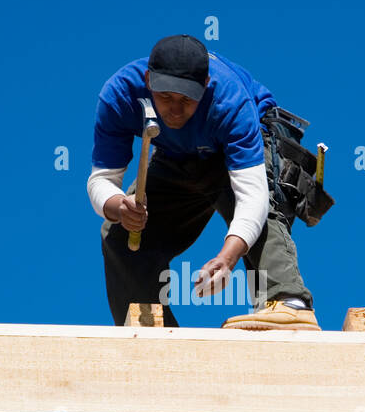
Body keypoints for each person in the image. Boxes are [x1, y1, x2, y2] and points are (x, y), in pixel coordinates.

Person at [87, 35, 332, 329]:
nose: (175, 110)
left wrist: (227, 258)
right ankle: (150, 328)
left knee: (259, 207)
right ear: (149, 80)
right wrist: (119, 207)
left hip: (239, 148)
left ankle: (289, 302)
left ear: (205, 85)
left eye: (187, 100)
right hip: (175, 155)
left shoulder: (230, 101)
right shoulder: (120, 96)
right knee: (119, 234)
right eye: (166, 97)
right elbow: (102, 180)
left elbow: (252, 195)